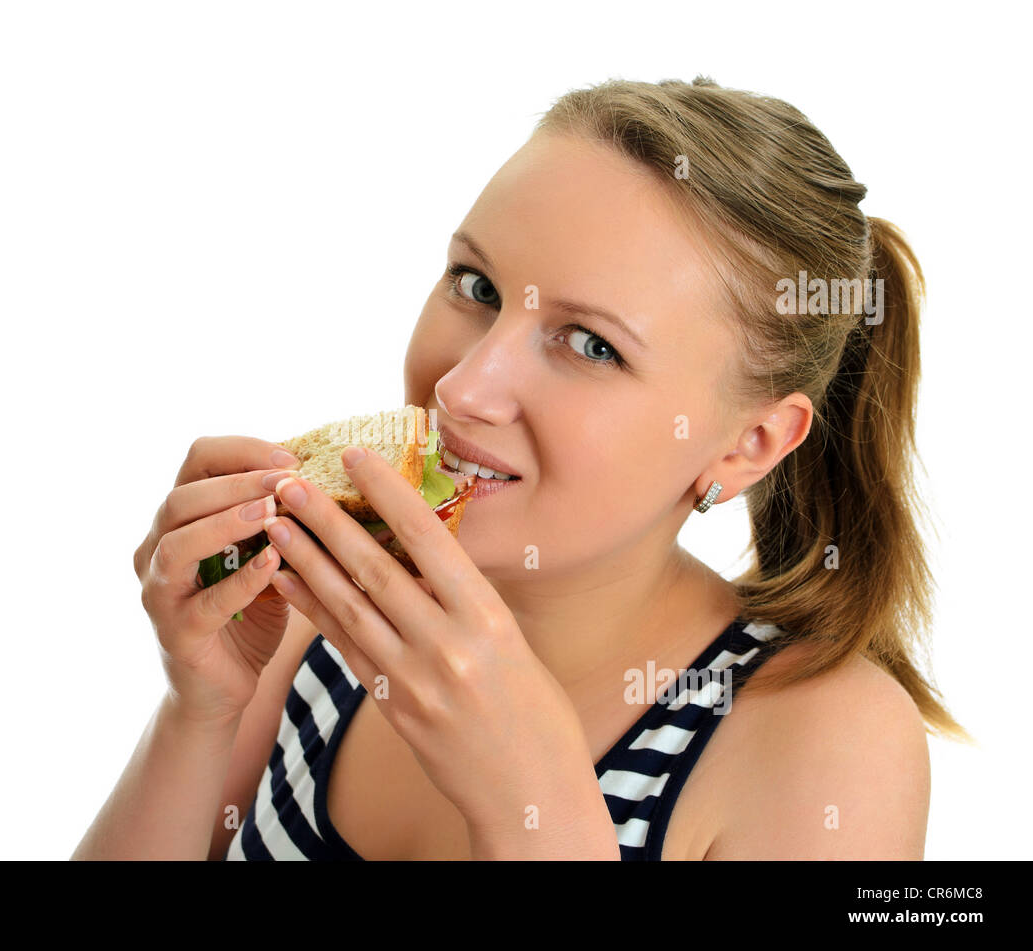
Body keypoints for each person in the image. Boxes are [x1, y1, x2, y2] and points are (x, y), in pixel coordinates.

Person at [72, 76, 971, 862]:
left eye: (589, 344)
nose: (463, 387)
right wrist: (199, 710)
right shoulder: (339, 600)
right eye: (477, 286)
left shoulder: (829, 741)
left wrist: (531, 806)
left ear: (750, 443)